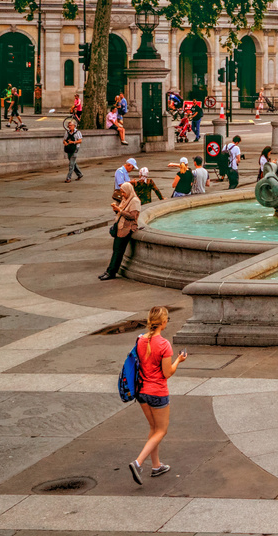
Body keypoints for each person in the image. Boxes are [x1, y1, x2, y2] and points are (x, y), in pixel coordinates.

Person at [128, 306, 186, 484]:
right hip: (157, 392)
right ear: (163, 322)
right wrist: (179, 360)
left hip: (142, 392)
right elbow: (167, 373)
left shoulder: (140, 340)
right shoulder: (163, 344)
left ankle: (156, 466)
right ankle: (138, 463)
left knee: (153, 429)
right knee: (161, 430)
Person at [102, 184, 140, 280]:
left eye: (124, 192)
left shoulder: (135, 201)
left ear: (129, 191)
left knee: (118, 251)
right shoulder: (125, 199)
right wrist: (116, 209)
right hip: (120, 227)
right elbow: (121, 212)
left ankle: (111, 272)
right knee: (116, 250)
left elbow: (133, 216)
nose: (122, 194)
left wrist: (119, 210)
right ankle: (109, 270)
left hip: (126, 229)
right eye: (122, 192)